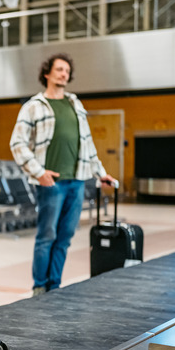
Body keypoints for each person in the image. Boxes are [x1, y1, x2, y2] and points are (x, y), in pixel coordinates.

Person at [10, 53, 115, 297]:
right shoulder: (34, 106)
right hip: (51, 183)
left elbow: (87, 144)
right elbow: (17, 143)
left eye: (67, 70)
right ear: (47, 73)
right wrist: (39, 172)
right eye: (59, 69)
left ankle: (54, 286)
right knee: (47, 235)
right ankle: (39, 287)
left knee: (66, 236)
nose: (63, 73)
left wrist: (100, 173)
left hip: (76, 180)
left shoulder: (75, 104)